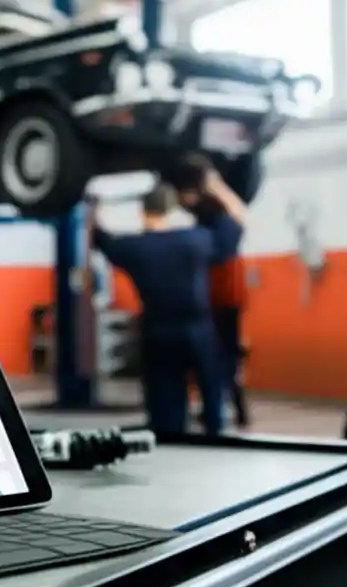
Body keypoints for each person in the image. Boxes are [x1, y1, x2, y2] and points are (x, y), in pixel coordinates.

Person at [90, 166, 247, 436]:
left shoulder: (133, 247)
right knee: (211, 392)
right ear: (172, 210)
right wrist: (215, 186)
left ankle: (170, 442)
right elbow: (237, 221)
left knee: (165, 405)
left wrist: (93, 205)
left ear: (143, 211)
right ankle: (215, 437)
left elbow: (97, 236)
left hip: (158, 332)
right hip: (199, 330)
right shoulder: (197, 240)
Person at [172, 155, 252, 429]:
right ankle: (231, 410)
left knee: (220, 357)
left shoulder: (217, 225)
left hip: (220, 298)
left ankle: (219, 410)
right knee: (227, 355)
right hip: (226, 297)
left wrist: (214, 183)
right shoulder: (217, 220)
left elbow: (239, 217)